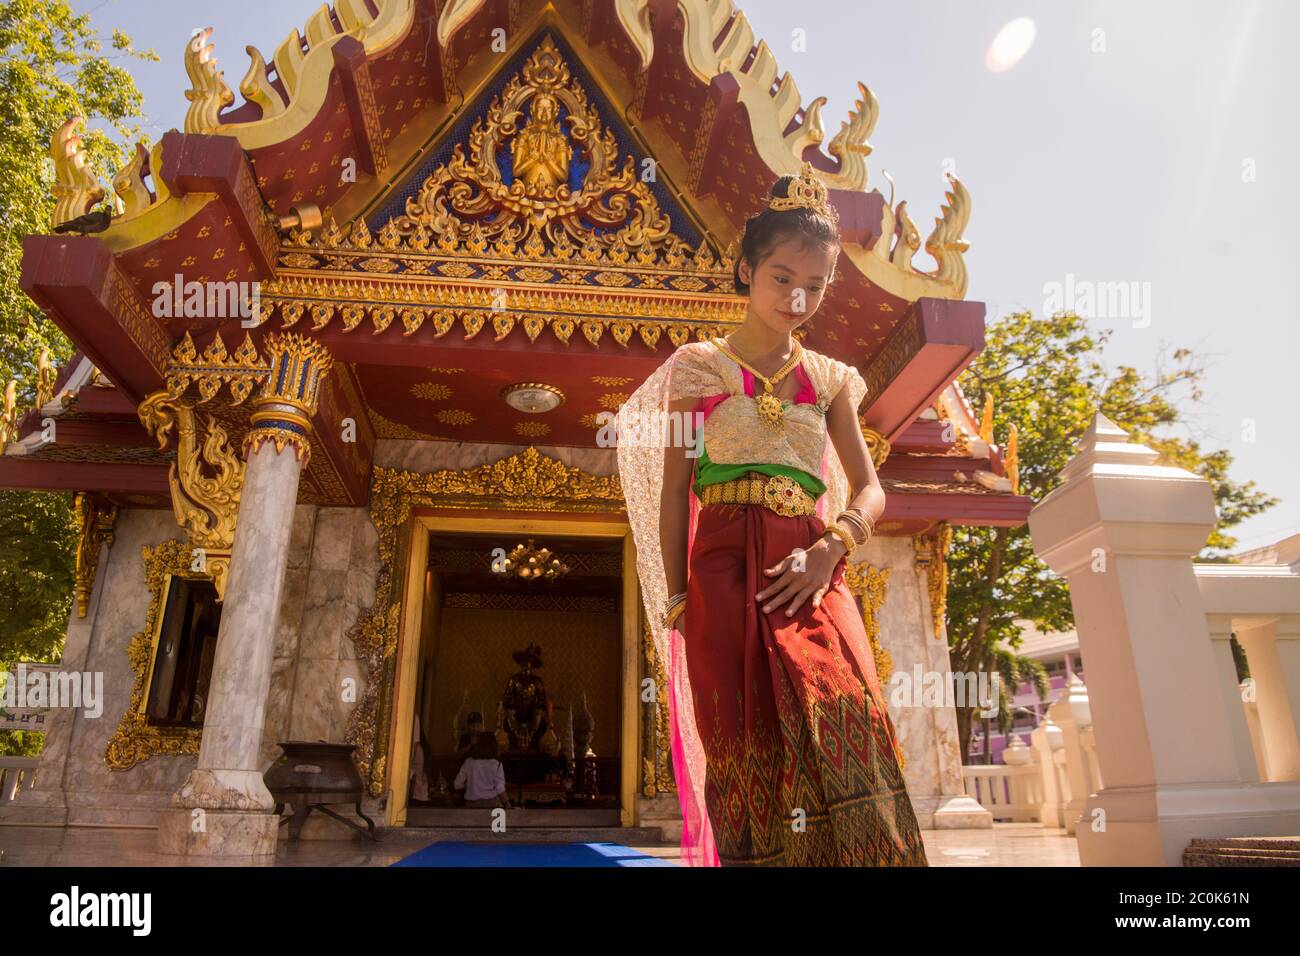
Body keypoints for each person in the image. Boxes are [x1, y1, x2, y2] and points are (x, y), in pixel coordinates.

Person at [617, 162, 928, 867]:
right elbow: (674, 492)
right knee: (745, 740)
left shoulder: (832, 380)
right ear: (748, 268)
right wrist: (674, 600)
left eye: (815, 286)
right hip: (721, 571)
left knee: (848, 715)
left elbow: (870, 488)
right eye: (783, 277)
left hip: (810, 566)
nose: (797, 298)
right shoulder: (698, 369)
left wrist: (831, 550)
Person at [454, 732, 512, 809]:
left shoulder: (468, 762)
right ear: (494, 746)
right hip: (492, 806)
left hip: (471, 806)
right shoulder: (497, 765)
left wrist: (470, 784)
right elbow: (500, 788)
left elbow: (457, 784)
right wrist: (507, 803)